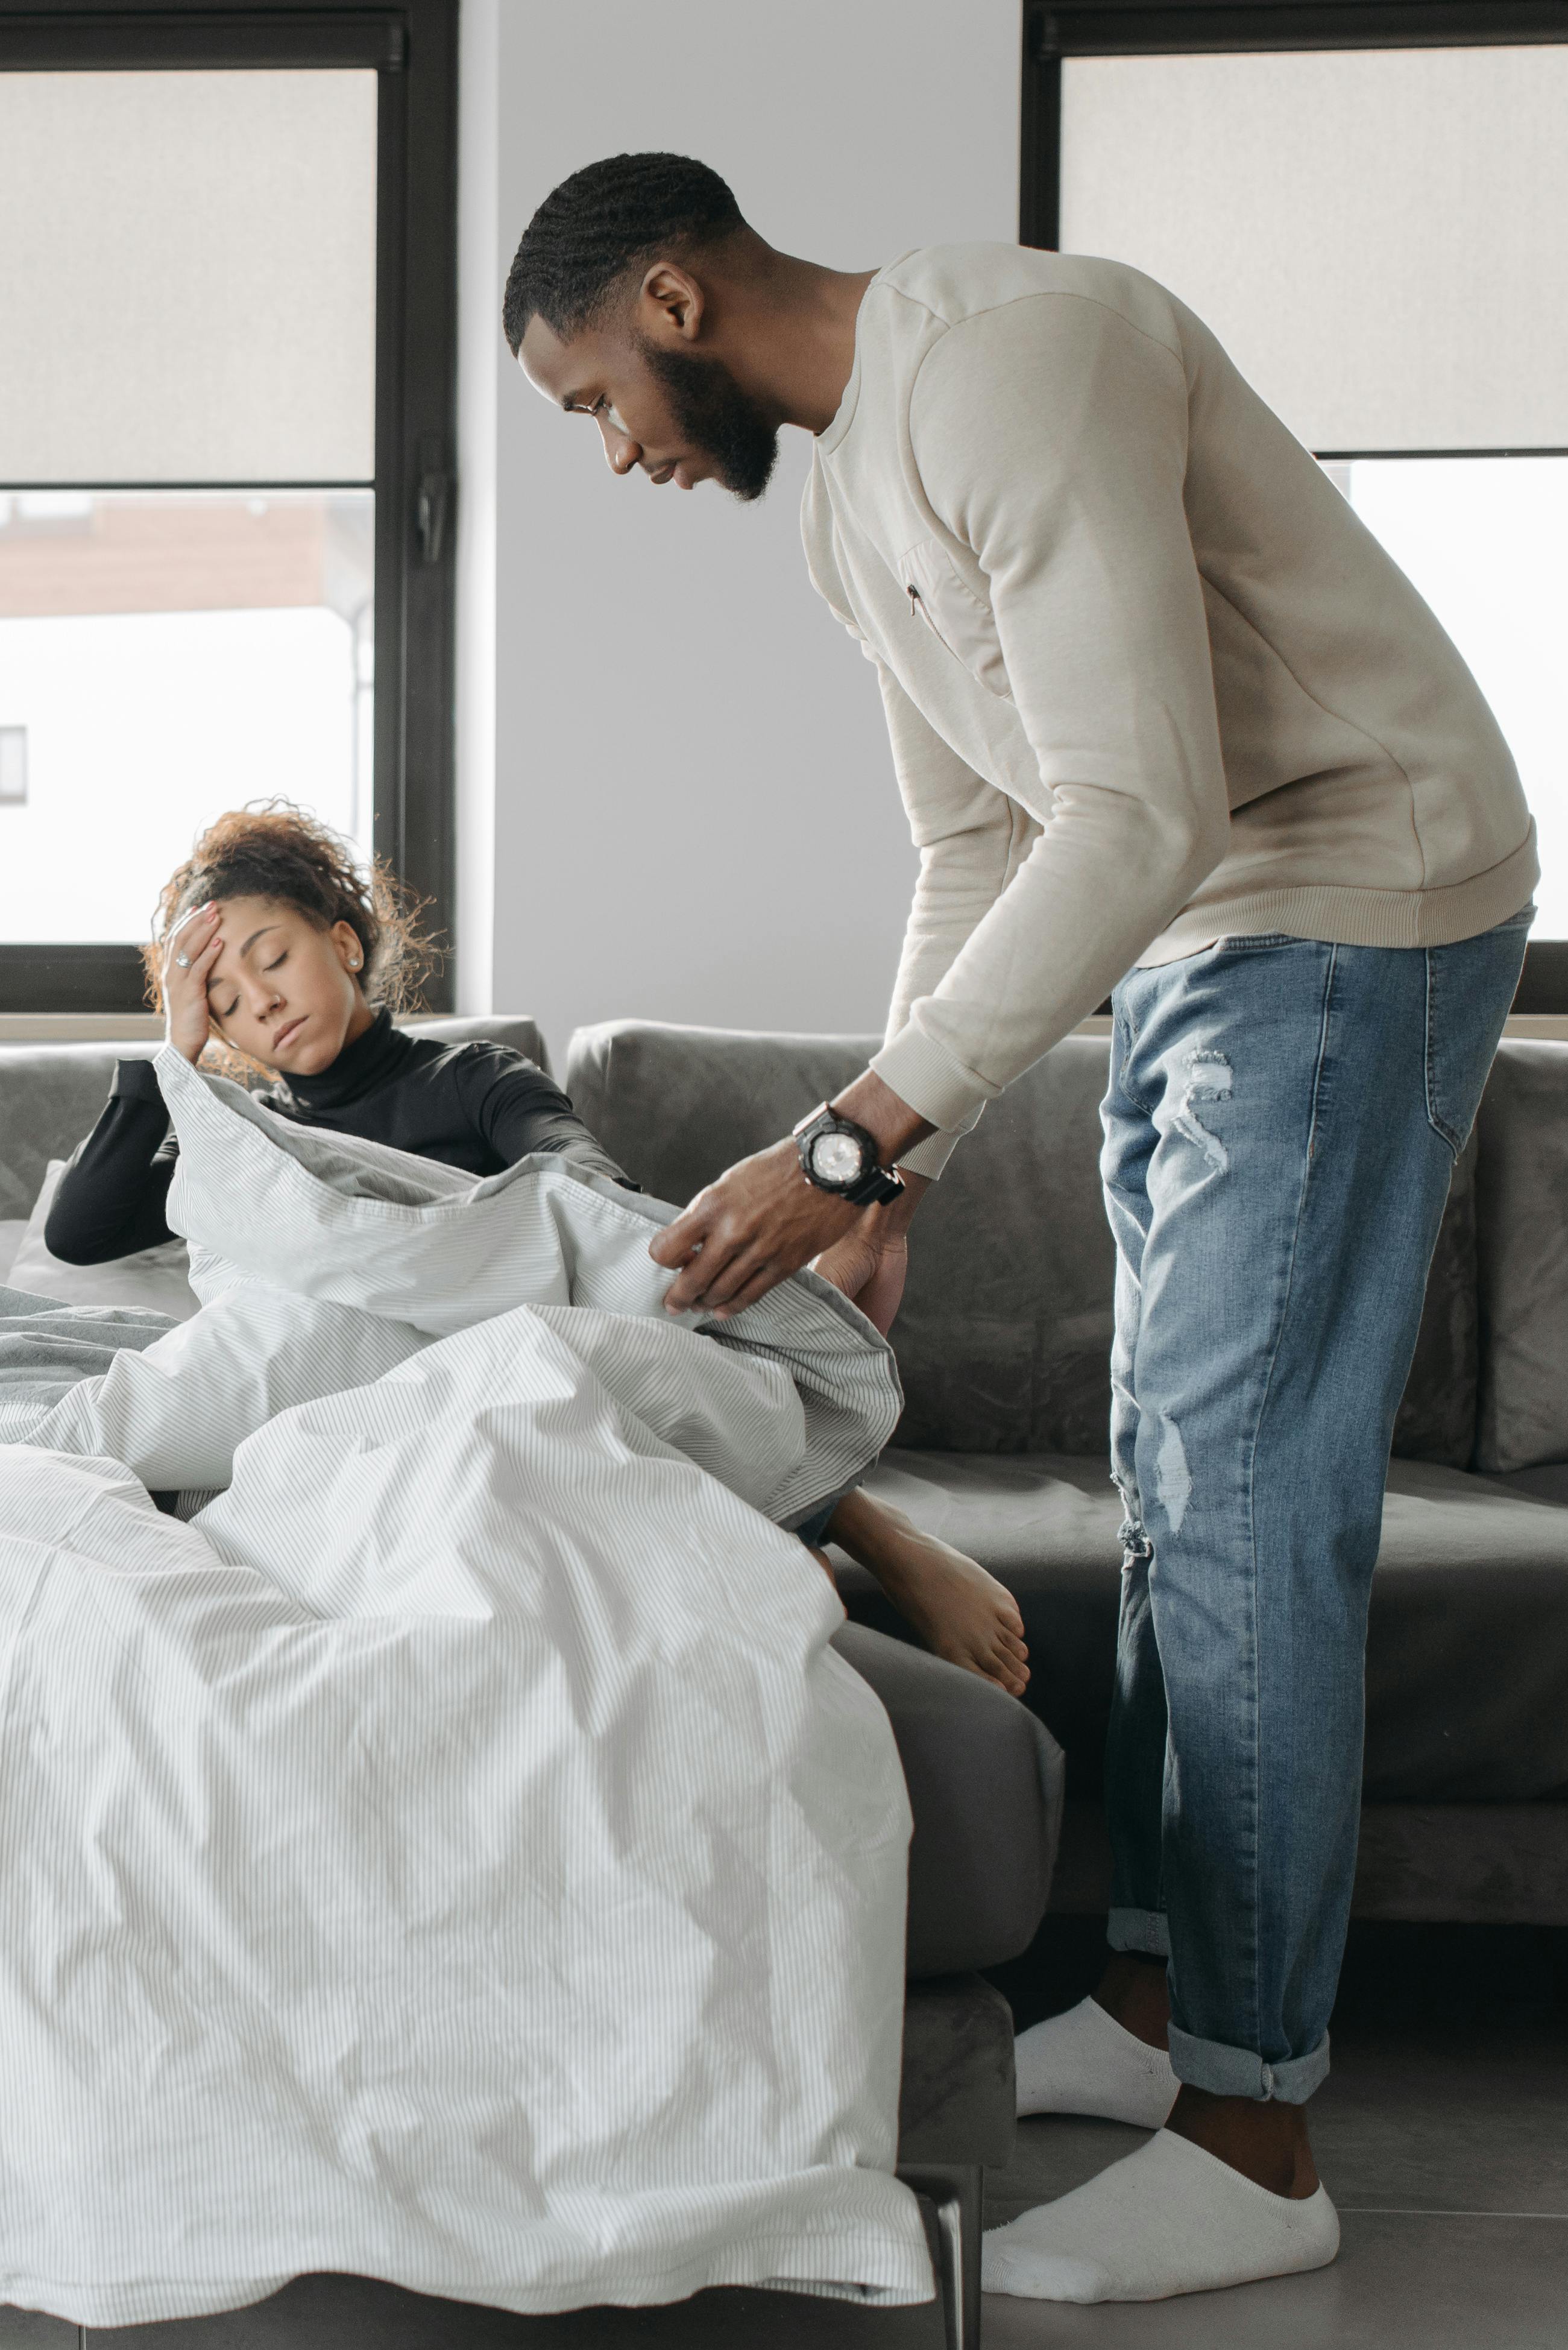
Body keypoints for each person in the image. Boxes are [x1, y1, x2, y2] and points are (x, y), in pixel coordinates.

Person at [502, 153, 1537, 2303]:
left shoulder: (1011, 357)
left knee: (1247, 1502)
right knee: (1178, 1487)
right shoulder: (842, 509)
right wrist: (909, 1173)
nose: (607, 453)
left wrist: (858, 1143)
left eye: (592, 396)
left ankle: (1258, 2139)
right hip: (1205, 938)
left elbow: (1137, 804)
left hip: (1348, 895)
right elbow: (978, 841)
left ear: (675, 299)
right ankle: (1164, 2017)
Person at [49, 802, 1027, 1698]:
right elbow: (81, 1230)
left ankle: (847, 1529)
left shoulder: (470, 1076)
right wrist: (173, 1058)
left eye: (271, 958)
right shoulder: (250, 1145)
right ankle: (827, 1528)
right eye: (222, 998)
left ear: (342, 944)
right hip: (353, 1414)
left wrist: (454, 1237)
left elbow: (584, 1190)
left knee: (602, 1355)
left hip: (505, 1371)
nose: (257, 1001)